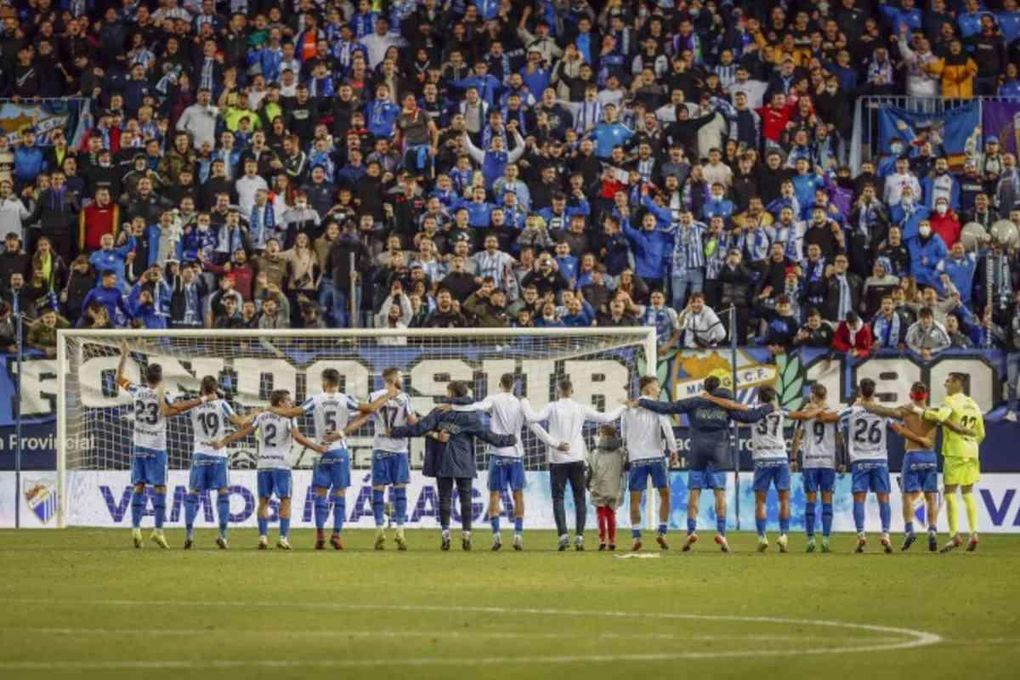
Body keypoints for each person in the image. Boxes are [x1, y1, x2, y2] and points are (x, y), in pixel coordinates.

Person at [637, 373, 771, 553]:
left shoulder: (694, 402)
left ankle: (691, 531)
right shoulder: (725, 405)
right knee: (720, 494)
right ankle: (721, 533)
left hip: (698, 452)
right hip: (719, 452)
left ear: (705, 388)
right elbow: (750, 417)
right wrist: (769, 407)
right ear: (718, 388)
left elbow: (667, 407)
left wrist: (642, 401)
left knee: (694, 493)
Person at [268, 369, 394, 550]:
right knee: (340, 494)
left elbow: (292, 412)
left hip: (322, 452)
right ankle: (336, 535)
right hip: (339, 451)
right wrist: (387, 395)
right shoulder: (345, 399)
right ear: (338, 382)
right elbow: (371, 408)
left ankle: (320, 536)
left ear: (325, 382)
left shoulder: (315, 399)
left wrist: (270, 408)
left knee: (320, 494)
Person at [392, 380, 517, 551]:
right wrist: (510, 439)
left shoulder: (440, 411)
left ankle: (446, 534)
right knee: (466, 499)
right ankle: (466, 535)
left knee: (444, 498)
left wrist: (395, 431)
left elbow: (419, 428)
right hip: (464, 462)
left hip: (443, 461)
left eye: (448, 391)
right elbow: (488, 436)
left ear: (451, 393)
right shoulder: (471, 415)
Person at [115, 340, 207, 549]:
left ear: (145, 377)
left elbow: (118, 378)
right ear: (160, 378)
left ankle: (136, 528)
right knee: (160, 487)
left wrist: (124, 356)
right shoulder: (163, 393)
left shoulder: (137, 390)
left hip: (139, 445)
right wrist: (201, 400)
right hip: (156, 448)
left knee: (139, 485)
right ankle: (158, 530)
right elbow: (172, 410)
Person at [212, 389, 326, 550]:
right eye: (288, 400)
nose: (291, 403)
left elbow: (244, 431)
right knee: (285, 501)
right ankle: (283, 538)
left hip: (263, 464)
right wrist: (316, 447)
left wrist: (225, 441)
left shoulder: (262, 416)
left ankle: (263, 537)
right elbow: (297, 437)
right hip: (281, 465)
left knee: (263, 502)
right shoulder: (289, 417)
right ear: (280, 403)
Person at [523, 377, 625, 551]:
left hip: (557, 459)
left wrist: (524, 402)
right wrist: (623, 407)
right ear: (571, 391)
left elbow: (532, 418)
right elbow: (606, 417)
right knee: (580, 499)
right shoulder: (580, 408)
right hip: (577, 459)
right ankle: (579, 537)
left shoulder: (552, 407)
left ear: (557, 390)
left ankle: (563, 536)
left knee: (558, 498)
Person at [444, 373, 531, 551]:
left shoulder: (494, 399)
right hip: (515, 454)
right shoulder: (520, 403)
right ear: (514, 385)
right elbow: (533, 422)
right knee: (518, 495)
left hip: (498, 454)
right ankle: (518, 535)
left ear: (500, 384)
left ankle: (496, 536)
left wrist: (453, 406)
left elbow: (477, 406)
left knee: (495, 495)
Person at [862, 381, 947, 552]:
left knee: (907, 496)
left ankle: (909, 530)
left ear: (910, 395)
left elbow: (887, 412)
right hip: (930, 456)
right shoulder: (934, 413)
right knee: (931, 496)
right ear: (926, 395)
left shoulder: (906, 410)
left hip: (913, 455)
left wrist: (867, 405)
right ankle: (932, 530)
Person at [183, 376, 253, 550]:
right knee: (223, 493)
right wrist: (254, 413)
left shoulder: (194, 404)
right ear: (215, 389)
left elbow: (176, 408)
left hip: (199, 453)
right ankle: (223, 535)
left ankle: (189, 534)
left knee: (193, 494)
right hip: (218, 455)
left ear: (201, 389)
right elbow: (240, 422)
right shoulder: (222, 404)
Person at [918, 372, 986, 552]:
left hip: (955, 451)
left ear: (957, 382)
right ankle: (974, 533)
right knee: (968, 492)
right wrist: (970, 444)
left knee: (950, 492)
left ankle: (954, 535)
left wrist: (925, 413)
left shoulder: (950, 401)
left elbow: (941, 417)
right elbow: (981, 434)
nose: (945, 384)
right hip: (972, 451)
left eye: (948, 381)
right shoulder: (974, 404)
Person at [621, 376, 678, 552]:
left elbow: (623, 434)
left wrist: (631, 450)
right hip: (656, 457)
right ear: (648, 389)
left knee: (635, 499)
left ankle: (636, 536)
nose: (659, 390)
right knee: (665, 495)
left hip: (637, 458)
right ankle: (662, 532)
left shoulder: (628, 409)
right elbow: (667, 428)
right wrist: (673, 449)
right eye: (656, 387)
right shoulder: (657, 407)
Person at [839, 379, 894, 554]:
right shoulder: (882, 411)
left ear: (860, 392)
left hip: (860, 460)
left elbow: (836, 419)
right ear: (874, 392)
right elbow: (895, 426)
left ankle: (861, 534)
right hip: (879, 460)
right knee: (883, 499)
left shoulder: (851, 411)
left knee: (859, 499)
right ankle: (886, 534)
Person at [367, 367, 418, 550]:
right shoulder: (404, 397)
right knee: (400, 492)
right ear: (394, 378)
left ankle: (379, 528)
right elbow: (413, 422)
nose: (403, 379)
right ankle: (400, 530)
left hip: (380, 449)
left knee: (378, 490)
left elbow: (365, 415)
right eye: (401, 377)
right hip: (399, 451)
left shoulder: (374, 396)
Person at [790, 384, 842, 553]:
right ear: (825, 396)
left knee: (810, 501)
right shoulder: (833, 413)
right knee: (827, 500)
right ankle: (825, 540)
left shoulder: (804, 414)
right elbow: (839, 439)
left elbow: (796, 437)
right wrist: (841, 461)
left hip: (810, 462)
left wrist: (793, 458)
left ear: (812, 395)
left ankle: (810, 539)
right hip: (828, 462)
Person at [588, 425, 627, 551]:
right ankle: (612, 540)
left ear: (604, 436)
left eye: (600, 434)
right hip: (615, 488)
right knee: (611, 514)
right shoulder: (621, 453)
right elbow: (625, 468)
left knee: (601, 513)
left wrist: (587, 484)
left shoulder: (595, 453)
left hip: (599, 487)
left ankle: (602, 540)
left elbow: (590, 471)